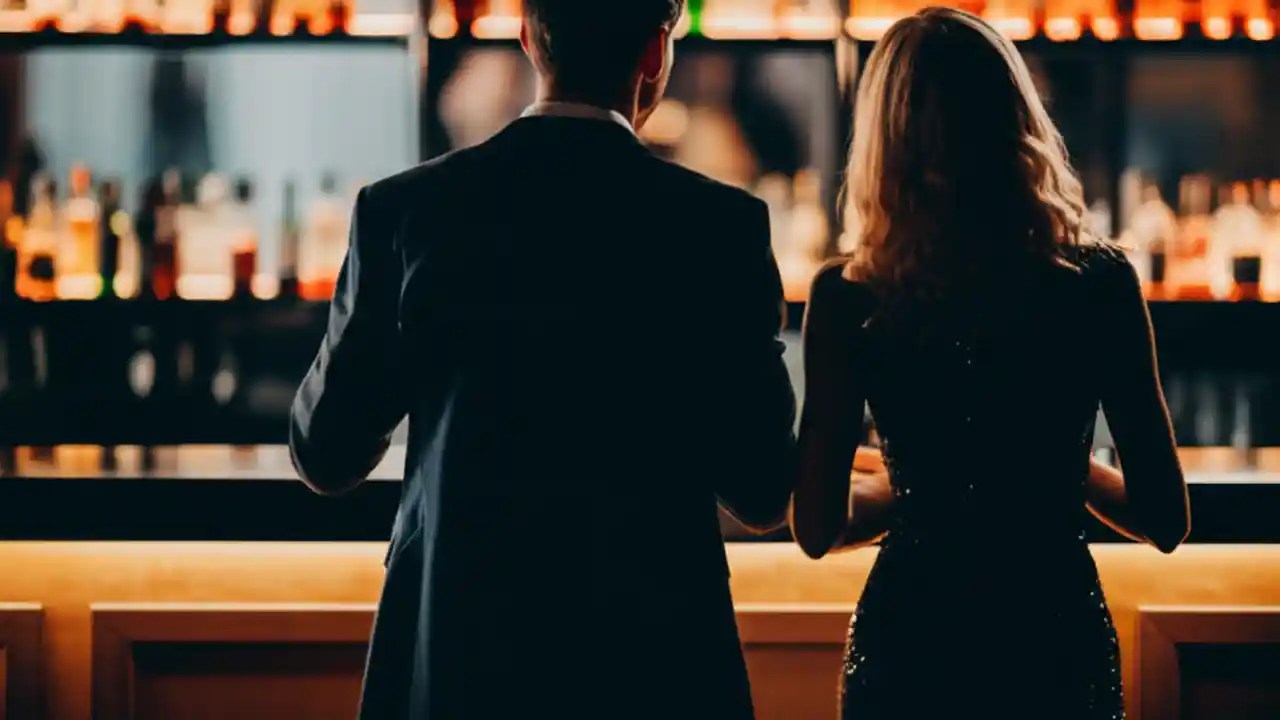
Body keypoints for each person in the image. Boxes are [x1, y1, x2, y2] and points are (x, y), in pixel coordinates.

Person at [289, 1, 797, 717]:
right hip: (654, 665)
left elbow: (326, 454)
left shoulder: (408, 213)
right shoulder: (720, 228)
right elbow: (763, 486)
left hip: (463, 658)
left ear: (529, 38)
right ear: (655, 54)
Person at [790, 8, 1191, 719]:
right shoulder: (1099, 282)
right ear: (1017, 118)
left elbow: (817, 529)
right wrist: (1064, 470)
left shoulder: (848, 297)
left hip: (912, 642)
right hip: (1052, 640)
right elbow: (1165, 517)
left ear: (885, 136)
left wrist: (916, 484)